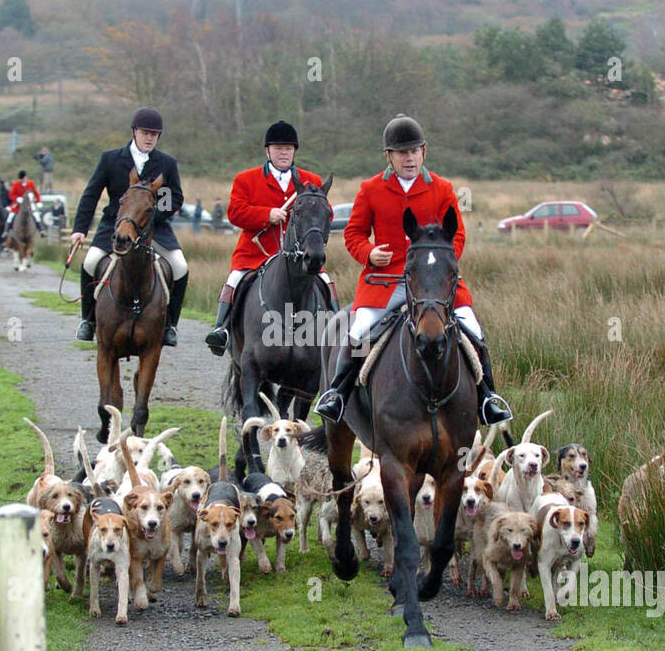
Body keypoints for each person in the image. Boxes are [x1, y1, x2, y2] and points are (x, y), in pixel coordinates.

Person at [314, 114, 513, 426]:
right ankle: (337, 395)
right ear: (388, 157)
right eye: (402, 152)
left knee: (474, 331)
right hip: (386, 282)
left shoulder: (444, 189)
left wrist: (440, 261)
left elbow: (457, 235)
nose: (409, 158)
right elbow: (353, 235)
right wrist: (369, 253)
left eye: (414, 151)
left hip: (435, 284)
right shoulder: (369, 190)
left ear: (424, 151)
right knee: (356, 334)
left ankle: (488, 397)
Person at [204, 120, 335, 356]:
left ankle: (336, 331)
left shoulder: (311, 181)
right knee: (234, 280)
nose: (283, 152)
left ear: (294, 151)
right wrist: (267, 214)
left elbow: (326, 212)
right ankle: (221, 330)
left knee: (327, 282)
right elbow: (235, 212)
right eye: (278, 148)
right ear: (267, 151)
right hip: (256, 254)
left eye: (288, 148)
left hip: (299, 256)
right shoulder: (246, 179)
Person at [71, 107, 188, 347]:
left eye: (154, 134)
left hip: (154, 227)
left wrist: (153, 215)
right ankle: (88, 321)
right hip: (115, 226)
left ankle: (170, 326)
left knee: (180, 267)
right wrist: (80, 228)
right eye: (145, 133)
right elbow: (91, 194)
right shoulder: (111, 158)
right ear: (135, 132)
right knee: (90, 262)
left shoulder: (167, 163)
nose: (149, 138)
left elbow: (175, 197)